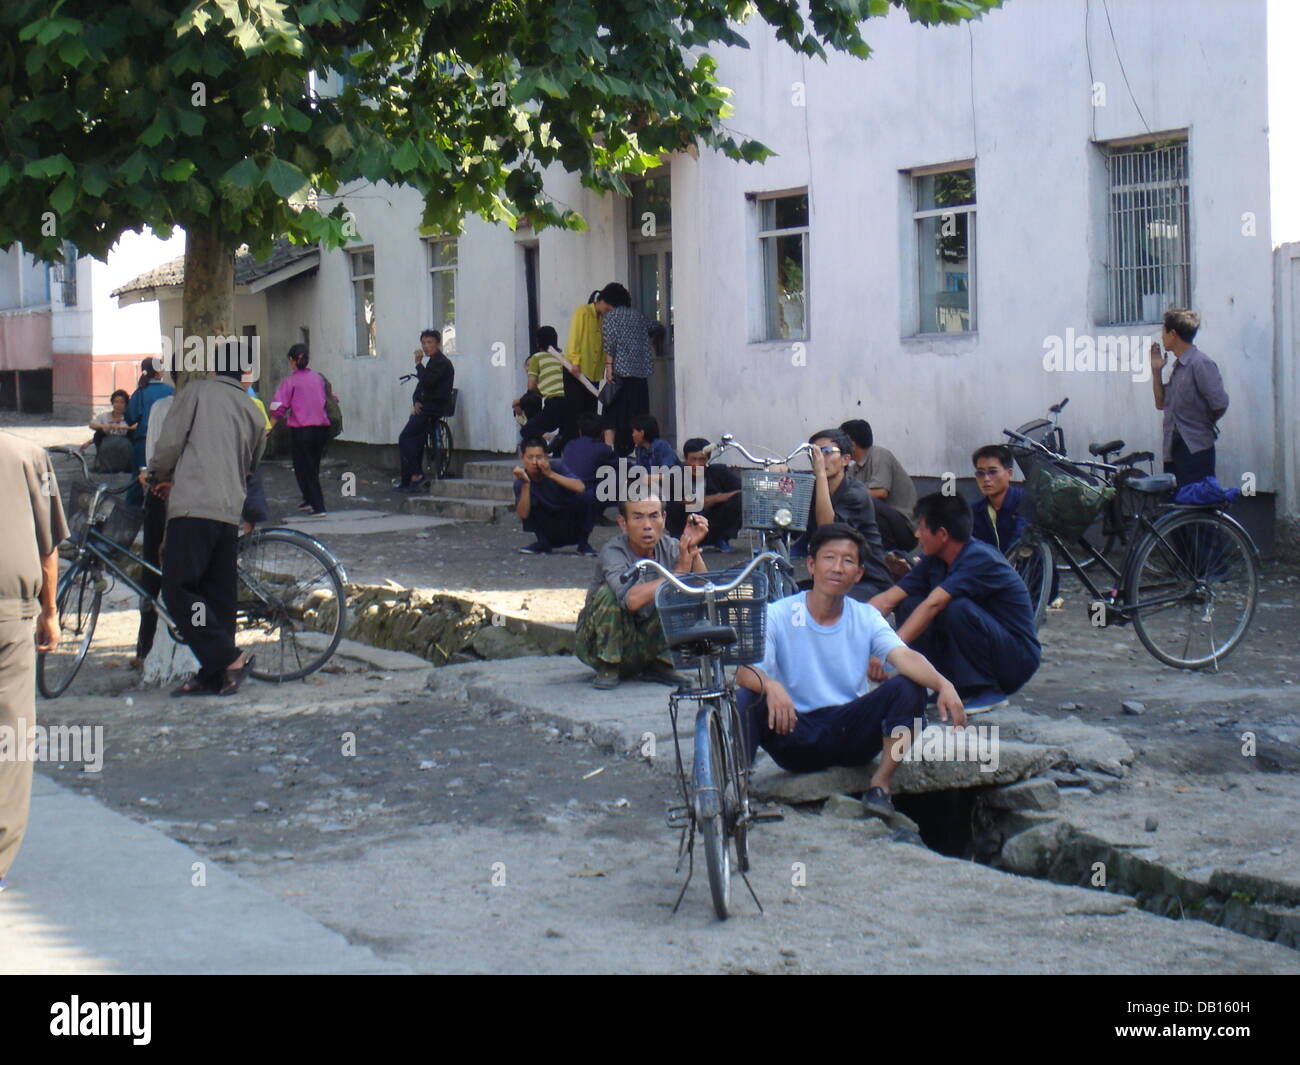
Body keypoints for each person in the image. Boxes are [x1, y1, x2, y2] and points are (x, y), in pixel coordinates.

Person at [736, 523, 964, 818]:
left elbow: (903, 655)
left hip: (851, 730)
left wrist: (944, 684)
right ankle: (737, 788)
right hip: (794, 732)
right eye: (829, 558)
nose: (838, 568)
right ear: (811, 565)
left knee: (910, 687)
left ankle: (880, 786)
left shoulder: (865, 616)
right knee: (747, 695)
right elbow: (743, 672)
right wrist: (771, 685)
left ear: (858, 574)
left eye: (848, 561)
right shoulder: (778, 614)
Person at [148, 346, 267, 696]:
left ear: (214, 367)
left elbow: (170, 441)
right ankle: (216, 675)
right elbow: (252, 463)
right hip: (229, 509)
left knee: (178, 588)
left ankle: (229, 658)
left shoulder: (196, 392)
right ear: (244, 372)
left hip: (194, 505)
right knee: (218, 595)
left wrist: (158, 474)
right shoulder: (253, 410)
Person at [869, 493, 1040, 703]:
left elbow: (933, 604)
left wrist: (890, 652)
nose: (916, 535)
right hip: (988, 646)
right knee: (908, 604)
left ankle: (987, 690)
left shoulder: (979, 557)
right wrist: (851, 634)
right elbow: (888, 600)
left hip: (1015, 659)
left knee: (954, 607)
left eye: (921, 527)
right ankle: (950, 685)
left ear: (942, 534)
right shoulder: (934, 560)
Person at [0, 430, 67, 890]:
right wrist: (50, 611)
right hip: (10, 616)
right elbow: (48, 546)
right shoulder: (29, 455)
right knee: (12, 735)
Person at [575, 495, 707, 690]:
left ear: (664, 518)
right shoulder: (613, 551)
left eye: (654, 516)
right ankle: (608, 664)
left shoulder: (670, 546)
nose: (647, 525)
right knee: (609, 594)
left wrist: (691, 546)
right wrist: (677, 573)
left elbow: (703, 588)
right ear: (623, 523)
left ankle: (661, 663)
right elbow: (632, 600)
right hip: (598, 644)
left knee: (682, 590)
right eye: (638, 518)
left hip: (644, 640)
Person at [799, 428, 892, 598]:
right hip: (832, 577)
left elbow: (827, 529)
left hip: (867, 580)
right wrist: (780, 472)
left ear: (845, 459)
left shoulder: (855, 494)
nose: (819, 459)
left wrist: (819, 473)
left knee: (826, 602)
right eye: (814, 453)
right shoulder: (815, 488)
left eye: (826, 452)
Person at [1149, 308, 1229, 487]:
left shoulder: (1200, 363)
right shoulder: (1179, 367)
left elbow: (1220, 403)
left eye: (1163, 332)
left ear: (1173, 334)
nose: (1162, 338)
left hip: (1195, 449)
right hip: (1174, 448)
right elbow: (1160, 403)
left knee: (1194, 505)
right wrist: (1156, 371)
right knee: (1176, 506)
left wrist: (1202, 424)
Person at [268, 344, 333, 516]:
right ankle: (308, 499)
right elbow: (329, 399)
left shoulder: (290, 382)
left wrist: (268, 428)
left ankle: (319, 506)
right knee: (313, 466)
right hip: (321, 429)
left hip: (302, 430)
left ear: (291, 361)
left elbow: (278, 407)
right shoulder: (318, 379)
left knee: (304, 468)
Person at [840, 418, 917, 552]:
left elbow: (881, 492)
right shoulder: (854, 469)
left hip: (905, 529)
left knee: (866, 501)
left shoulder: (880, 455)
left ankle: (881, 553)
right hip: (886, 523)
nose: (839, 448)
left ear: (851, 444)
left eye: (840, 442)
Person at [597, 282, 653, 454]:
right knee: (638, 414)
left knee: (611, 413)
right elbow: (654, 328)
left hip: (620, 373)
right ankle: (638, 450)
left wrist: (608, 367)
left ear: (608, 301)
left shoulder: (611, 318)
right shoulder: (639, 316)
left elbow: (610, 344)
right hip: (640, 373)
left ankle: (610, 450)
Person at [513, 437, 595, 556]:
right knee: (529, 502)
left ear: (546, 457)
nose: (535, 462)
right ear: (523, 458)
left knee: (588, 496)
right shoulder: (520, 482)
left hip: (567, 519)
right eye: (530, 457)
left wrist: (551, 474)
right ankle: (542, 543)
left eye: (539, 457)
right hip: (546, 525)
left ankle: (583, 544)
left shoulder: (557, 467)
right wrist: (526, 484)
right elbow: (523, 514)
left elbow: (580, 487)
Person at [396, 329, 455, 492]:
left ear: (438, 344)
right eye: (423, 343)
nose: (426, 346)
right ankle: (407, 480)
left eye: (430, 342)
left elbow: (428, 382)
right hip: (424, 406)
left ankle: (416, 475)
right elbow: (420, 386)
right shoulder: (432, 362)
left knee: (405, 438)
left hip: (433, 408)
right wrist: (416, 401)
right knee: (413, 440)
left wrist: (418, 364)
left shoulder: (442, 363)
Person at [667, 437, 742, 552]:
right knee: (672, 503)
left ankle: (721, 539)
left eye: (701, 459)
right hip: (685, 522)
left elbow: (743, 489)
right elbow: (694, 502)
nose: (697, 464)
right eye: (693, 459)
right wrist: (718, 497)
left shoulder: (719, 471)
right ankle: (679, 539)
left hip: (712, 523)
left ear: (707, 459)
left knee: (739, 499)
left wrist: (717, 499)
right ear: (686, 459)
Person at [125, 359, 174, 505]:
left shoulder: (140, 392)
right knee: (162, 479)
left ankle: (131, 514)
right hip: (165, 442)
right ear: (159, 372)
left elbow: (130, 418)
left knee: (138, 479)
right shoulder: (170, 391)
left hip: (142, 441)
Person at [520, 326, 572, 453]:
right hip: (571, 402)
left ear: (538, 342)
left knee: (527, 430)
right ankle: (557, 442)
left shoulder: (536, 358)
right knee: (562, 443)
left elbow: (531, 387)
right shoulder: (563, 357)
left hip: (554, 402)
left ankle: (548, 437)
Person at [561, 412, 618, 529]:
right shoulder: (602, 449)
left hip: (566, 495)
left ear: (580, 431)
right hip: (587, 497)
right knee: (618, 475)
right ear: (602, 433)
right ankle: (596, 514)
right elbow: (623, 466)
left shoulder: (569, 445)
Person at [969, 444, 1027, 553]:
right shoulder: (975, 510)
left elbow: (1021, 537)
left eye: (993, 472)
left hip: (1027, 568)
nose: (986, 479)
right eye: (980, 473)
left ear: (1009, 474)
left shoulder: (1025, 500)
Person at [562, 290, 606, 426]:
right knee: (575, 413)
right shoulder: (583, 312)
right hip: (577, 370)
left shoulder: (603, 319)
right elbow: (574, 338)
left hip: (594, 373)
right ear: (601, 301)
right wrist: (575, 361)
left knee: (590, 414)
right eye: (608, 307)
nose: (609, 310)